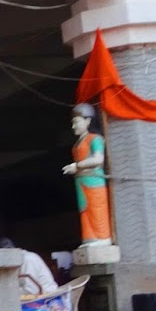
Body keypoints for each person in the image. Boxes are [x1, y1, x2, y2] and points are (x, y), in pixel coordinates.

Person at [63, 102, 112, 246]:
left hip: (94, 180)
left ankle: (102, 237)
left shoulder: (94, 139)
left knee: (96, 209)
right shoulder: (77, 144)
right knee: (85, 210)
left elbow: (98, 159)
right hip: (81, 180)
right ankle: (90, 238)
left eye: (76, 122)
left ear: (88, 120)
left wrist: (77, 166)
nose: (73, 126)